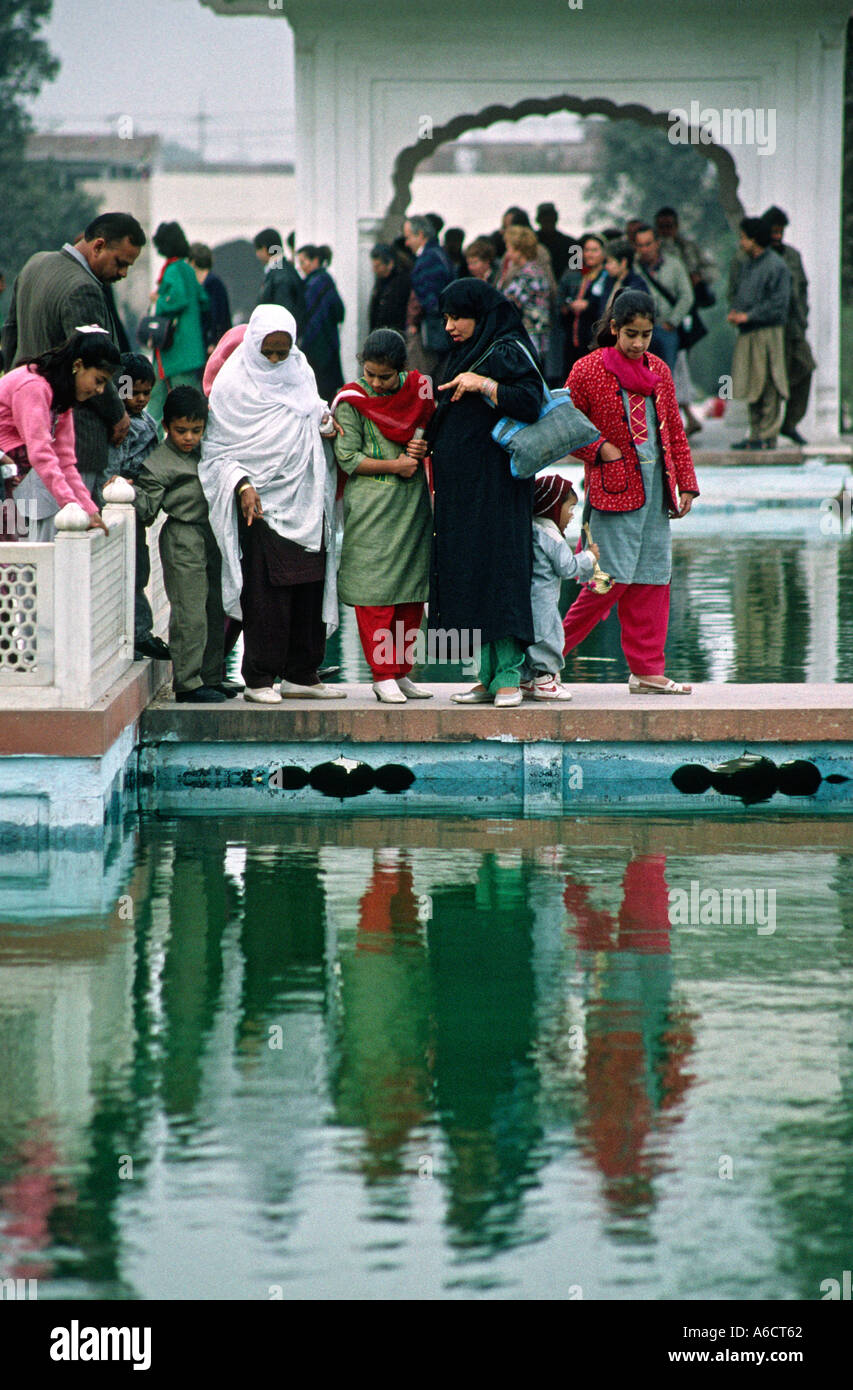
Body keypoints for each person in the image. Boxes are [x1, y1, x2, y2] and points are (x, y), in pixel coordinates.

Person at [199, 305, 343, 705]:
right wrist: (241, 483)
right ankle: (259, 678)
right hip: (260, 505)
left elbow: (311, 409)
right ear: (252, 345)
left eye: (284, 350)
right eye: (270, 352)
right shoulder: (232, 386)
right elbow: (216, 453)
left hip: (305, 497)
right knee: (267, 595)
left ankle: (301, 673)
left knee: (309, 586)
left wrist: (326, 422)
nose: (277, 360)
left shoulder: (300, 370)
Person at [562, 290, 699, 694]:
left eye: (647, 334)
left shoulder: (659, 368)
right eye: (632, 334)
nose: (640, 343)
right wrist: (597, 448)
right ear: (615, 329)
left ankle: (646, 670)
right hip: (613, 490)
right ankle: (548, 659)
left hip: (657, 490)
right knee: (607, 579)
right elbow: (563, 425)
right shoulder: (587, 370)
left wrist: (687, 484)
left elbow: (674, 429)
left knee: (652, 578)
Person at [427, 278, 544, 708]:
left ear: (481, 314)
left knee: (502, 570)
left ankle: (510, 677)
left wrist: (484, 385)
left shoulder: (507, 348)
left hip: (498, 485)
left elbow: (531, 400)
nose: (450, 326)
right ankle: (486, 676)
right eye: (446, 318)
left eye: (458, 317)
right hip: (463, 487)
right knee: (470, 570)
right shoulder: (465, 352)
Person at [1, 211, 146, 515]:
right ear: (98, 246)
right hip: (74, 438)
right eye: (121, 263)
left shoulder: (34, 264)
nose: (123, 274)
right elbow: (100, 365)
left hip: (21, 438)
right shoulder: (85, 289)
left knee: (28, 538)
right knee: (71, 531)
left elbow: (10, 335)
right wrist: (119, 413)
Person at [331, 328, 435, 703]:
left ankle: (401, 671)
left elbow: (433, 428)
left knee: (408, 591)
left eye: (385, 376)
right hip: (372, 509)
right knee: (375, 591)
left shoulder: (419, 391)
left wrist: (424, 446)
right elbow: (348, 457)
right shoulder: (352, 400)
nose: (376, 383)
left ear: (401, 370)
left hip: (411, 507)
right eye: (371, 374)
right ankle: (381, 673)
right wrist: (398, 465)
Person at [131, 386, 227, 704]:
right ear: (166, 426)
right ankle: (187, 682)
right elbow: (145, 511)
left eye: (196, 430)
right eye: (180, 430)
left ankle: (211, 676)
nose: (189, 437)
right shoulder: (160, 461)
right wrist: (129, 489)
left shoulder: (210, 449)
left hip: (212, 534)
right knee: (190, 611)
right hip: (182, 536)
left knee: (215, 608)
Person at [0, 327, 118, 541]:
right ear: (78, 365)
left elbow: (65, 460)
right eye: (98, 380)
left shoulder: (60, 397)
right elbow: (41, 454)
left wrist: (89, 509)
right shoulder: (34, 387)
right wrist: (71, 505)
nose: (100, 391)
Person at [108, 352, 168, 660]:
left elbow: (154, 462)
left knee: (138, 570)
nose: (142, 399)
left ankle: (138, 634)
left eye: (147, 393)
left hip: (137, 508)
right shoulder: (115, 419)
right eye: (135, 392)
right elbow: (111, 460)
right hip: (115, 503)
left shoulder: (147, 423)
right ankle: (136, 635)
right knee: (118, 574)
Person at [520, 474, 597, 701]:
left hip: (528, 597)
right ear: (553, 505)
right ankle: (545, 680)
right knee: (549, 637)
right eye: (570, 508)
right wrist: (589, 557)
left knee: (530, 639)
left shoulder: (530, 527)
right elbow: (567, 567)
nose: (572, 515)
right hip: (543, 599)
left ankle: (525, 679)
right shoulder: (550, 534)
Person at [727, 217, 791, 450]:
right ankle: (755, 434)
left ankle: (768, 434)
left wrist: (750, 315)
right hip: (748, 333)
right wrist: (737, 313)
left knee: (769, 382)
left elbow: (779, 304)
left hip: (767, 332)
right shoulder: (747, 263)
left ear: (754, 239)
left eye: (744, 237)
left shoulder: (776, 266)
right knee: (751, 383)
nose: (741, 242)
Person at [654, 208, 716, 438]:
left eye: (670, 226)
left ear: (677, 226)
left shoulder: (686, 249)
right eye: (662, 226)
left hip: (682, 317)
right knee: (672, 368)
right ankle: (683, 416)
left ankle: (679, 418)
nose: (666, 231)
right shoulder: (654, 250)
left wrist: (697, 277)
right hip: (661, 321)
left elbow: (710, 272)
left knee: (678, 365)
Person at [762, 205, 816, 445]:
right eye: (772, 231)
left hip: (793, 326)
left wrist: (803, 318)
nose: (776, 236)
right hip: (769, 327)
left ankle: (790, 423)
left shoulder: (792, 256)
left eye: (780, 231)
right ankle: (766, 431)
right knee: (771, 379)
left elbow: (802, 290)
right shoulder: (758, 258)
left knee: (805, 368)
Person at [148, 222, 208, 423]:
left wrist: (160, 301)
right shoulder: (188, 269)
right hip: (191, 349)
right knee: (191, 398)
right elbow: (203, 300)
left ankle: (149, 443)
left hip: (175, 349)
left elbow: (178, 298)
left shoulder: (172, 269)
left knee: (158, 398)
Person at [633, 225, 693, 371]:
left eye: (648, 244)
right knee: (639, 374)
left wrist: (672, 321)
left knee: (664, 374)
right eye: (640, 246)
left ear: (657, 243)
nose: (645, 250)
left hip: (666, 328)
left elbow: (687, 296)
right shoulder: (633, 268)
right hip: (639, 331)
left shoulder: (674, 264)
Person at [403, 215, 454, 376]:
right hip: (440, 330)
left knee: (422, 383)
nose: (406, 243)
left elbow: (431, 300)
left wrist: (414, 320)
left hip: (431, 334)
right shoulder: (439, 254)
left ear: (420, 234)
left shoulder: (428, 259)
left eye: (408, 237)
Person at [296, 244, 346, 402]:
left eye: (304, 262)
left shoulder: (315, 284)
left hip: (317, 349)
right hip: (328, 346)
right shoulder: (325, 281)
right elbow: (339, 312)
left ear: (315, 260)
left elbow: (310, 318)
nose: (302, 267)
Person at [558, 233, 609, 378]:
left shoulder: (607, 276)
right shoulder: (574, 274)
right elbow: (560, 298)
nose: (590, 254)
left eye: (595, 250)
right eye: (587, 250)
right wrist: (568, 306)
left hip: (595, 336)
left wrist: (589, 305)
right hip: (573, 337)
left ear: (603, 253)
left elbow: (607, 303)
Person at [498, 226, 552, 359]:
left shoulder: (528, 274)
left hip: (530, 335)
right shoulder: (533, 270)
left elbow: (511, 302)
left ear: (519, 250)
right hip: (536, 335)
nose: (507, 253)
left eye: (509, 248)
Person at [253, 227, 306, 330]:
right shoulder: (282, 270)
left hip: (279, 337)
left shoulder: (280, 275)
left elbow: (283, 313)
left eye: (257, 250)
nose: (257, 255)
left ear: (264, 249)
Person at [188, 243, 233, 355]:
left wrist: (214, 341)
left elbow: (219, 316)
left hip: (211, 344)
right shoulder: (202, 283)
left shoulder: (213, 283)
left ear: (193, 262)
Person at [368, 244, 410, 333]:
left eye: (378, 266)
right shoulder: (380, 282)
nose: (374, 270)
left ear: (390, 264)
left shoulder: (402, 282)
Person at [601, 238, 650, 316]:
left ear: (623, 262)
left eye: (610, 262)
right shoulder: (609, 280)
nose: (606, 266)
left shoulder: (637, 285)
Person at [535, 203, 577, 281]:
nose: (548, 221)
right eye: (545, 218)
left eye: (549, 218)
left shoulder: (572, 245)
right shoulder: (530, 243)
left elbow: (577, 271)